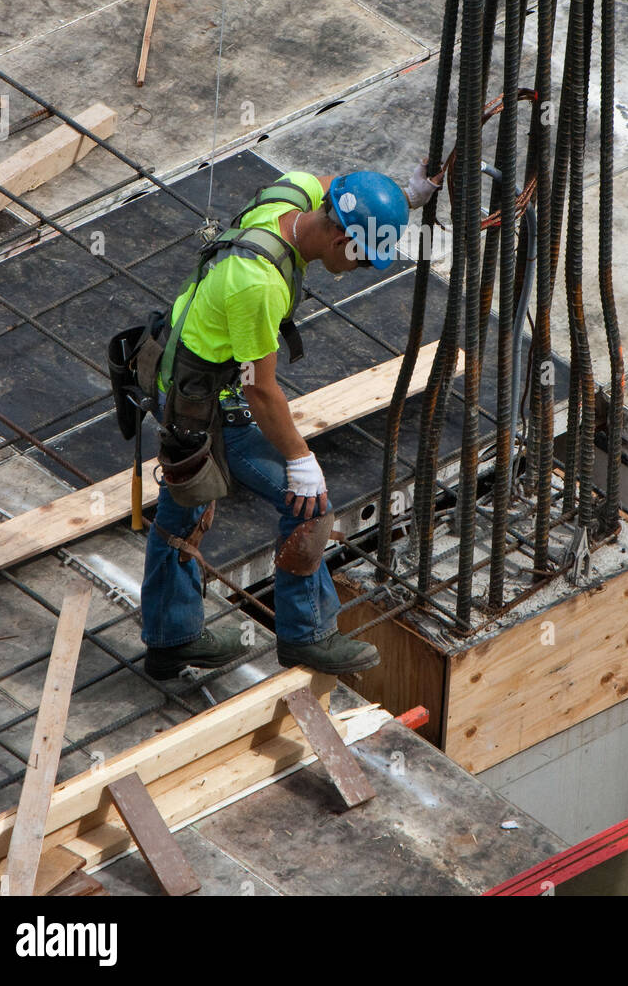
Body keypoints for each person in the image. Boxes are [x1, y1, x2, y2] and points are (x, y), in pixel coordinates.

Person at [141, 163, 441, 679]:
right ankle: (306, 637)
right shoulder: (258, 285)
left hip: (191, 375)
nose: (362, 268)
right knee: (307, 504)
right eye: (363, 256)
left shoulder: (291, 196)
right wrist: (302, 461)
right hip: (202, 406)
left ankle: (172, 640)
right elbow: (262, 390)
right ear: (341, 235)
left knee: (182, 512)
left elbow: (333, 185)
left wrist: (399, 200)